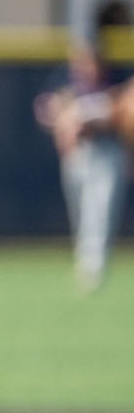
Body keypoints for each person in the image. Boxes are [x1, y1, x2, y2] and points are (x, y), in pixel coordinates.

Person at [33, 38, 126, 294]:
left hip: (107, 152)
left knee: (100, 211)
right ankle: (85, 261)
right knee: (81, 211)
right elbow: (43, 109)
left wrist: (84, 115)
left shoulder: (115, 81)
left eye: (89, 61)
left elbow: (121, 111)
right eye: (80, 61)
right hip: (78, 155)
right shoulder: (67, 85)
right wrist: (59, 114)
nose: (84, 66)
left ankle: (94, 267)